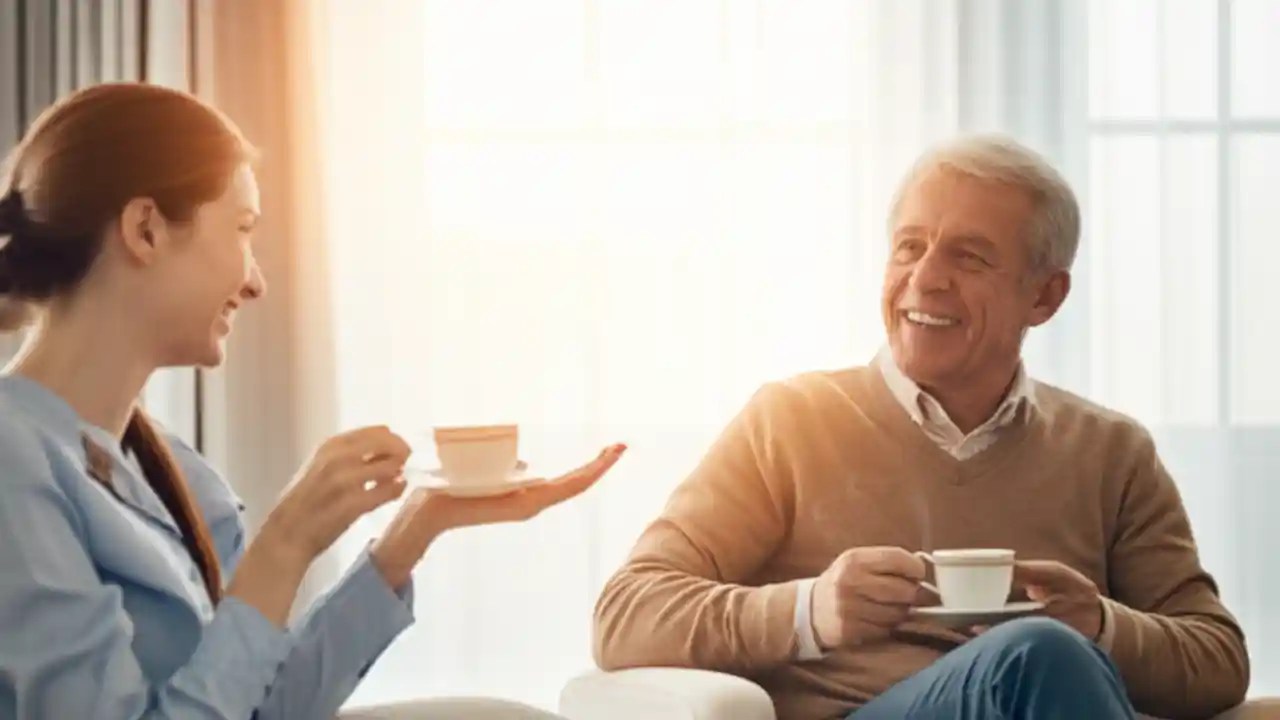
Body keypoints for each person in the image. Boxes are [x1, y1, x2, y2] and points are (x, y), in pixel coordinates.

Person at [0, 82, 626, 720]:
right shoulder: (14, 461)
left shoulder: (175, 473)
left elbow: (268, 709)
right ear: (146, 229)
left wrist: (412, 532)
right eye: (242, 229)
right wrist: (285, 545)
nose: (255, 280)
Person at [592, 135, 1248, 719]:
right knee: (1034, 654)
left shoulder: (1112, 453)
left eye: (969, 257)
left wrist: (1101, 625)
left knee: (1044, 654)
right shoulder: (791, 422)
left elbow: (1218, 659)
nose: (925, 278)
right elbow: (627, 614)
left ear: (1044, 297)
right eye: (910, 246)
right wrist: (808, 611)